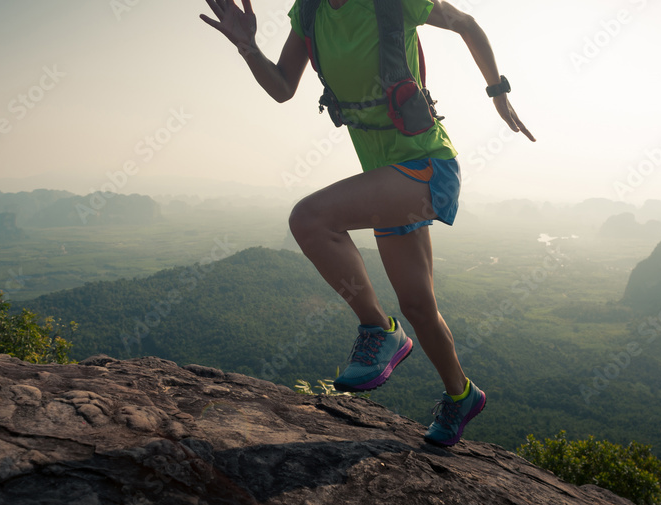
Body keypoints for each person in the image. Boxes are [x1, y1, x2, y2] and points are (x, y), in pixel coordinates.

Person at [201, 0, 535, 446]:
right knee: (419, 306)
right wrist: (248, 48)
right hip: (388, 182)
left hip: (427, 166)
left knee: (310, 218)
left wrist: (498, 93)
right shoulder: (310, 12)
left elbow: (467, 25)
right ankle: (462, 395)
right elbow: (282, 87)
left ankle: (379, 330)